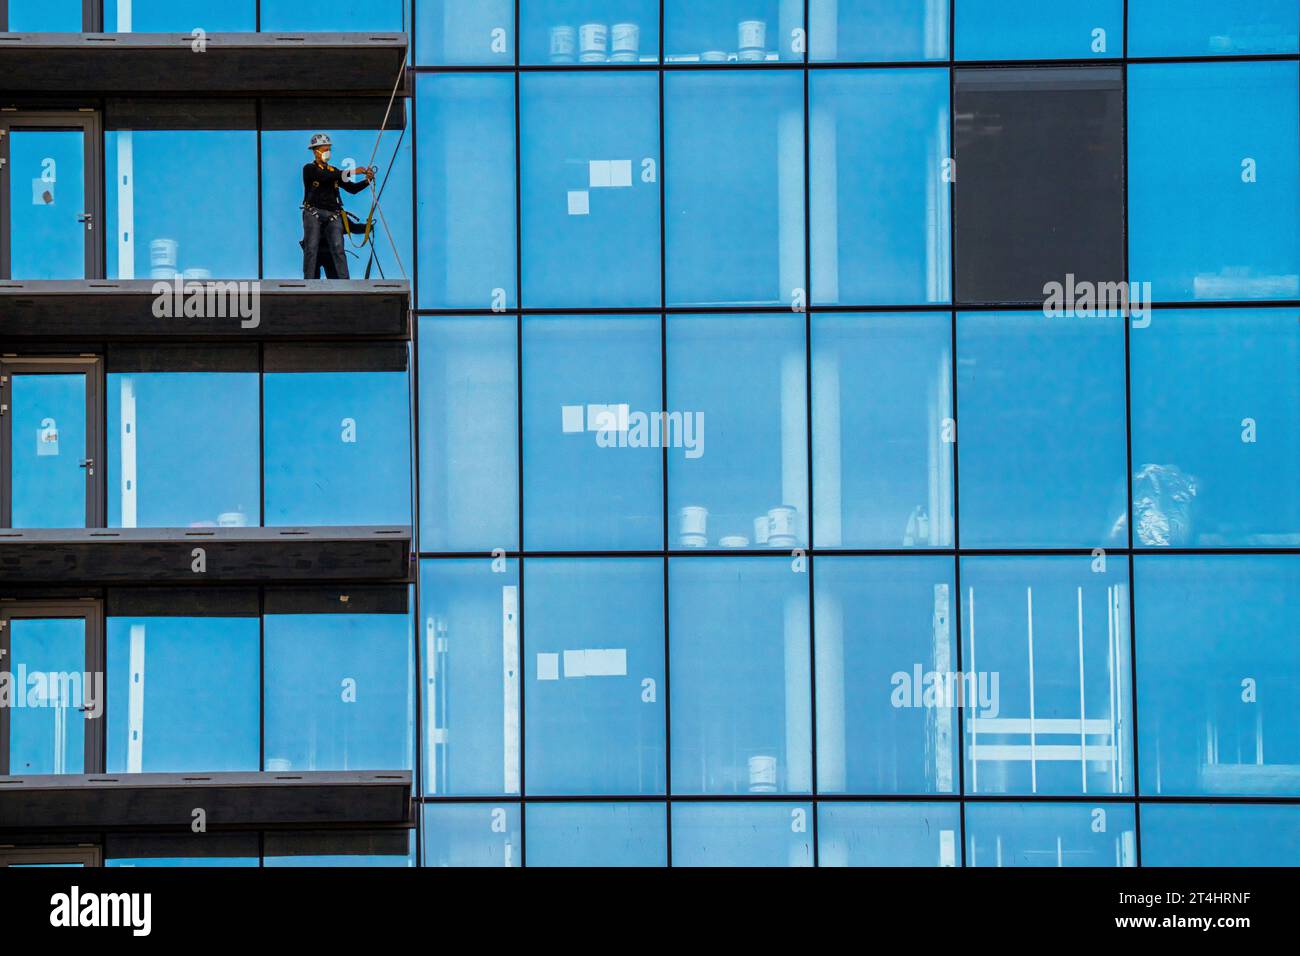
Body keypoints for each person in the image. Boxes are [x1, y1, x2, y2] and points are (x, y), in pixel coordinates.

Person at [301, 133, 375, 279]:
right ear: (316, 152)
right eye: (324, 149)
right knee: (311, 247)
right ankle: (308, 282)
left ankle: (344, 283)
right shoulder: (309, 169)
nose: (327, 153)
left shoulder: (334, 172)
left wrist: (367, 181)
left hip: (333, 215)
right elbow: (323, 176)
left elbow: (352, 189)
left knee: (338, 248)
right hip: (313, 212)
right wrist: (352, 171)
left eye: (329, 149)